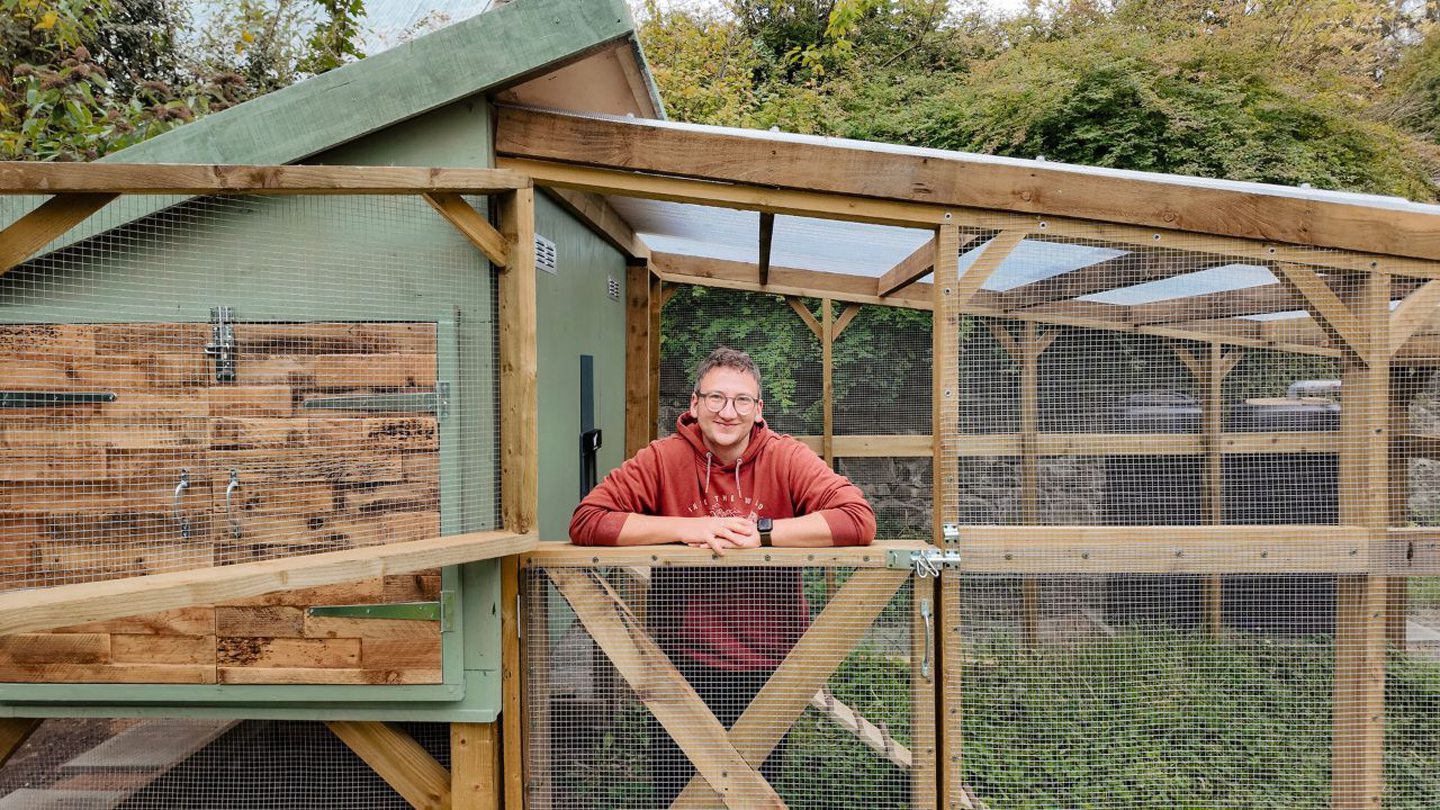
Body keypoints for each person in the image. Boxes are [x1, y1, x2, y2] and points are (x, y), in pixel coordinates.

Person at [569, 346, 876, 804]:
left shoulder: (785, 456)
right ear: (694, 404)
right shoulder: (662, 458)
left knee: (753, 790)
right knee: (679, 792)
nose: (727, 412)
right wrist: (687, 527)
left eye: (741, 401)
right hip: (680, 665)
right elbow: (588, 520)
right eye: (715, 398)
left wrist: (764, 534)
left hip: (770, 666)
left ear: (758, 410)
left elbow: (858, 518)